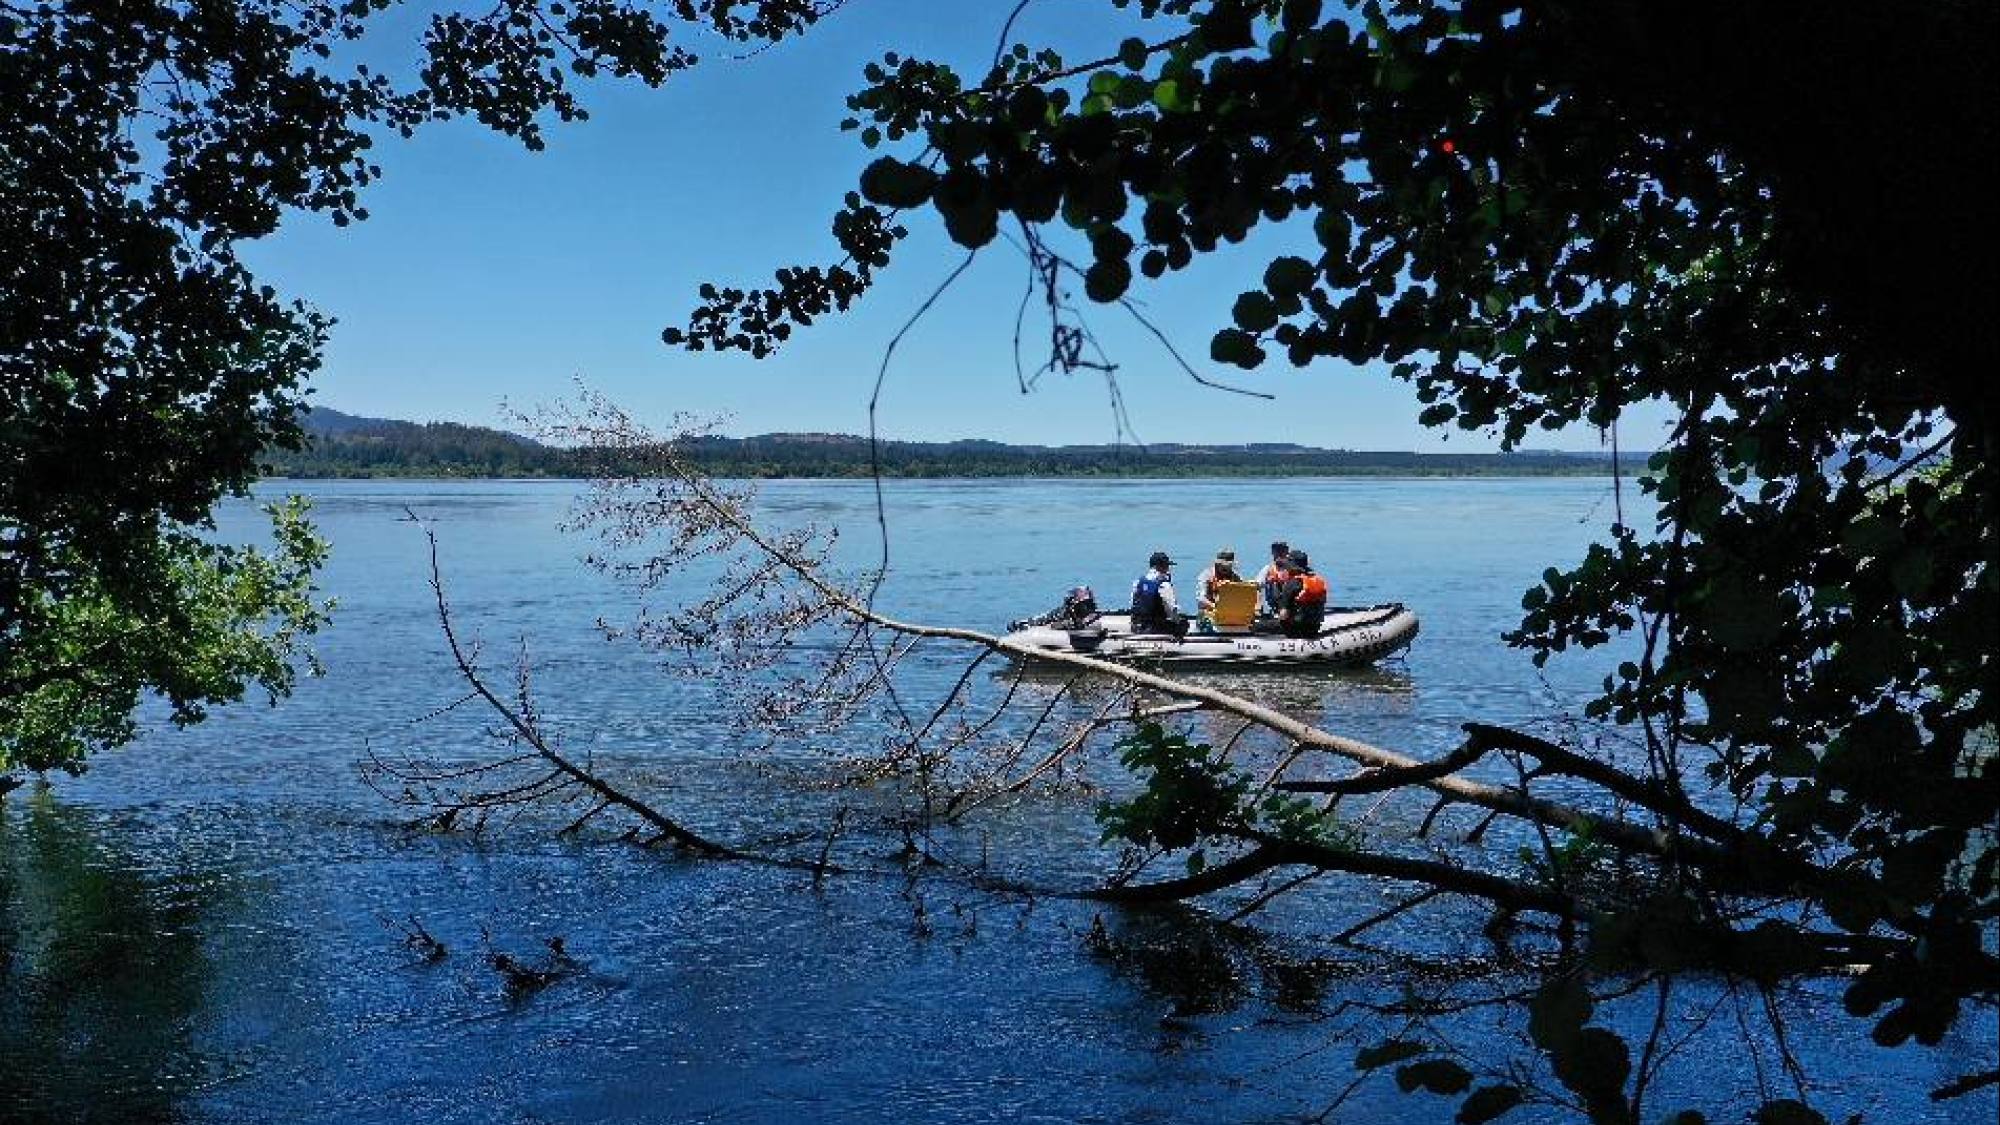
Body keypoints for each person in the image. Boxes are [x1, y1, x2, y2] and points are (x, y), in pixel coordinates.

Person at [1129, 550, 1188, 638]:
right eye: (1167, 566)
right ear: (1160, 567)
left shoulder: (1138, 582)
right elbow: (1172, 610)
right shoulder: (1164, 585)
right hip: (1155, 628)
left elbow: (1132, 605)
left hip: (1137, 627)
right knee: (1184, 623)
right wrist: (1179, 620)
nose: (1168, 569)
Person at [1277, 548, 1329, 638]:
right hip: (1314, 627)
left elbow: (1283, 615)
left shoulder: (1291, 584)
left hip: (1295, 629)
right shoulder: (1318, 580)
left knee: (1257, 626)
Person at [1195, 547, 1241, 627]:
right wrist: (1216, 607)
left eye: (1228, 566)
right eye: (1223, 566)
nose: (1226, 569)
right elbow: (1200, 599)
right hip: (1208, 615)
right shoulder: (1206, 575)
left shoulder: (1236, 577)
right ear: (1217, 564)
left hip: (1230, 617)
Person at [1257, 540, 1291, 616]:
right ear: (1273, 553)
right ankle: (1258, 610)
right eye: (1276, 551)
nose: (1279, 554)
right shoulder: (1268, 569)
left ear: (1286, 552)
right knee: (1258, 587)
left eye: (1282, 551)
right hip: (1276, 604)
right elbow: (1257, 585)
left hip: (1291, 604)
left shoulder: (1293, 569)